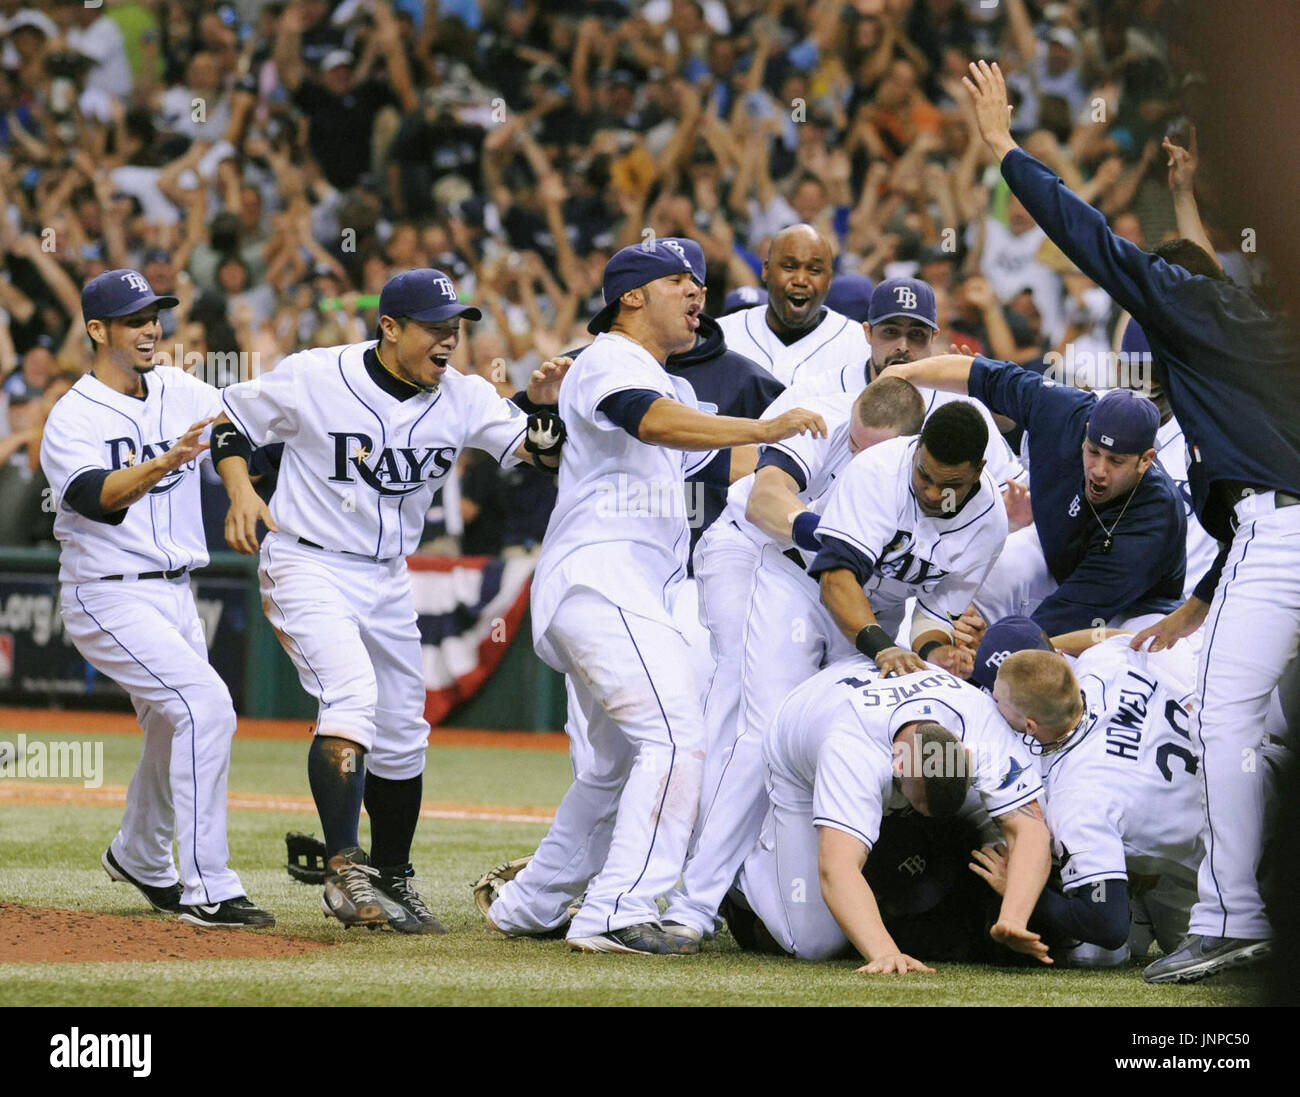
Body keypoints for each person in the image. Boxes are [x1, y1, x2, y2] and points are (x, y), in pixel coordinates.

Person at [964, 58, 1300, 981]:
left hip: (1280, 539)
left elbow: (1097, 242)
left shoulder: (1194, 308)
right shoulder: (1267, 320)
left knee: (1228, 717)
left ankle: (1233, 915)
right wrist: (1199, 596)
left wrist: (1006, 154)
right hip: (1257, 541)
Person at [478, 239, 826, 955]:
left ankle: (529, 902)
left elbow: (714, 449)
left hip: (616, 586)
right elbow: (651, 421)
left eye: (700, 280)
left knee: (611, 766)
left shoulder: (665, 379)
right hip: (604, 579)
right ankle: (616, 908)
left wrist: (812, 450)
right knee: (675, 740)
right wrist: (763, 424)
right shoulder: (610, 357)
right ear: (632, 295)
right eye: (677, 280)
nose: (697, 291)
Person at [212, 268, 568, 934]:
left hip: (387, 576)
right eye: (435, 328)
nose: (449, 340)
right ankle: (344, 869)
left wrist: (544, 407)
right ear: (390, 328)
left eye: (456, 328)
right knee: (351, 697)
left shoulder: (461, 395)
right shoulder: (319, 375)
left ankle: (394, 875)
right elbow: (231, 422)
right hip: (308, 560)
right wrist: (239, 489)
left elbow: (538, 454)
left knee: (405, 735)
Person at [660, 401, 1008, 943]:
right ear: (916, 452)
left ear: (979, 473)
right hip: (793, 581)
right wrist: (880, 648)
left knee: (839, 736)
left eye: (949, 483)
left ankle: (761, 879)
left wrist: (939, 653)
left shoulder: (990, 525)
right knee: (766, 727)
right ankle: (692, 907)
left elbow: (934, 619)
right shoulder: (880, 473)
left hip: (878, 617)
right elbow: (837, 580)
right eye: (925, 473)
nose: (932, 488)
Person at [39, 268, 273, 928]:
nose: (151, 329)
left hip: (176, 591)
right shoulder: (73, 414)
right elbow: (93, 496)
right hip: (105, 594)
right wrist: (165, 464)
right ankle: (209, 887)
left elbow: (231, 426)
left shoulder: (178, 386)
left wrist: (235, 484)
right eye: (135, 318)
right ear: (96, 330)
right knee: (205, 707)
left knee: (174, 727)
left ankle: (141, 853)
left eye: (155, 315)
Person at [727, 656, 1051, 967]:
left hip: (891, 716)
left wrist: (1013, 917)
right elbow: (837, 867)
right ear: (896, 765)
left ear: (968, 753)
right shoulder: (851, 751)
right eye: (915, 806)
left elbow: (1032, 830)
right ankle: (740, 883)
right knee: (815, 943)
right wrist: (885, 953)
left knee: (1003, 832)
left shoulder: (981, 722)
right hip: (800, 749)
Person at [881, 353, 1186, 634]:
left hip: (1134, 610)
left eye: (1116, 461)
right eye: (1094, 451)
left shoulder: (1153, 518)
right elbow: (983, 375)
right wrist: (905, 372)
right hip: (1055, 554)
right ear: (1087, 429)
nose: (1099, 470)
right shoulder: (1064, 411)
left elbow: (1068, 614)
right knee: (985, 581)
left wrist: (991, 643)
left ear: (1145, 460)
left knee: (1069, 664)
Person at [805, 277, 1024, 492]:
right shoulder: (821, 392)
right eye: (891, 332)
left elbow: (1013, 491)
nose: (903, 346)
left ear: (934, 337)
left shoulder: (959, 404)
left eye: (917, 334)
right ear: (868, 332)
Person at [716, 224, 869, 387]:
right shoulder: (723, 335)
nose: (800, 280)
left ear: (829, 279)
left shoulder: (859, 344)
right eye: (789, 267)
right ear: (766, 270)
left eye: (814, 270)